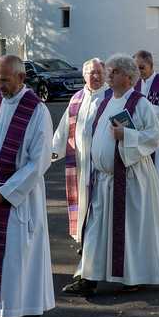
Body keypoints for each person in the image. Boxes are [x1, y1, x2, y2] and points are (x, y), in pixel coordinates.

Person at [64, 54, 159, 296]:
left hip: (131, 179)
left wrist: (128, 135)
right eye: (110, 70)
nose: (109, 75)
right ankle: (88, 277)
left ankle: (133, 276)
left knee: (130, 230)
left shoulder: (140, 103)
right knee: (96, 229)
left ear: (128, 76)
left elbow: (155, 136)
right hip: (104, 180)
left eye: (114, 71)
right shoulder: (105, 101)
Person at [0, 55, 54, 317]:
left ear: (21, 78)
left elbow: (39, 161)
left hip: (20, 197)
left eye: (4, 80)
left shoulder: (36, 111)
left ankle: (10, 312)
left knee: (13, 257)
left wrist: (6, 191)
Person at [52, 57, 107, 243]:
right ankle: (84, 239)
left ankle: (99, 242)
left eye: (99, 72)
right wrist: (52, 151)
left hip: (102, 164)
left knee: (100, 204)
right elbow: (64, 128)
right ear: (84, 76)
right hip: (80, 163)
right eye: (92, 72)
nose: (96, 76)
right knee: (82, 202)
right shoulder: (76, 98)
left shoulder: (111, 97)